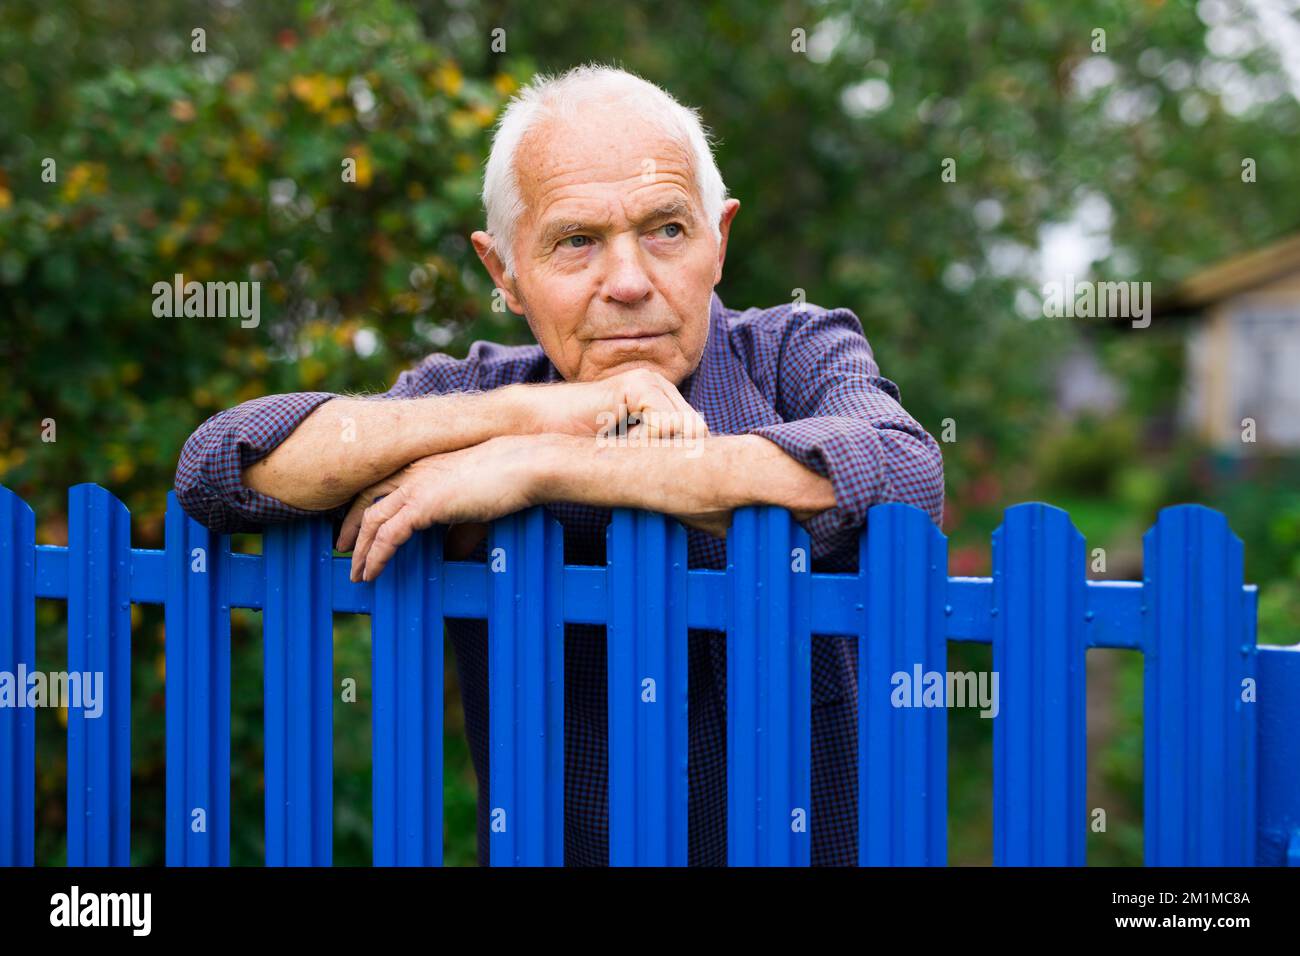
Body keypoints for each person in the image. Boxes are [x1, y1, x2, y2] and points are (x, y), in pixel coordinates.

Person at [175, 63, 945, 865]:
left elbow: (902, 471)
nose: (628, 282)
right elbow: (222, 465)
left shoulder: (795, 351)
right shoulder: (481, 394)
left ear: (720, 240)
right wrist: (534, 413)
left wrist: (544, 465)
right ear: (503, 271)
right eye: (577, 241)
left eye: (666, 230)